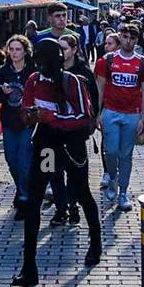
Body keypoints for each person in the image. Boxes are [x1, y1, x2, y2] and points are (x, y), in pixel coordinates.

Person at [11, 38, 101, 287]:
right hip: (46, 145)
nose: (40, 67)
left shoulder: (71, 81)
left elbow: (85, 117)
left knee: (83, 194)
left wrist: (51, 117)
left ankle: (95, 242)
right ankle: (29, 268)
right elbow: (26, 110)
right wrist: (29, 116)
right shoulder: (34, 81)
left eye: (43, 62)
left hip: (69, 146)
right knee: (34, 202)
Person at [94, 23, 144, 211]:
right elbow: (100, 87)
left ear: (137, 40)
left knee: (126, 155)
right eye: (125, 37)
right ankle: (112, 177)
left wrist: (143, 118)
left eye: (132, 38)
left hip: (132, 114)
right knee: (110, 151)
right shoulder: (107, 60)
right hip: (110, 111)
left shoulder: (142, 63)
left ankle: (123, 192)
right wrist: (97, 112)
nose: (128, 41)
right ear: (121, 38)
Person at [0, 34, 36, 218]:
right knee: (11, 160)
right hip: (9, 121)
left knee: (24, 161)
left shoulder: (32, 71)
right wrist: (4, 93)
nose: (15, 53)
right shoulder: (4, 71)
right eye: (12, 49)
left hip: (28, 122)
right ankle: (22, 189)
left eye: (18, 49)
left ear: (25, 51)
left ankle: (25, 197)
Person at [58, 32, 101, 225]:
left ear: (74, 50)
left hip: (76, 130)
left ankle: (72, 204)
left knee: (75, 169)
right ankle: (61, 208)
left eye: (64, 48)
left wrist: (93, 120)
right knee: (53, 170)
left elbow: (94, 98)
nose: (61, 53)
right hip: (53, 130)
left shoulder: (84, 72)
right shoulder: (51, 69)